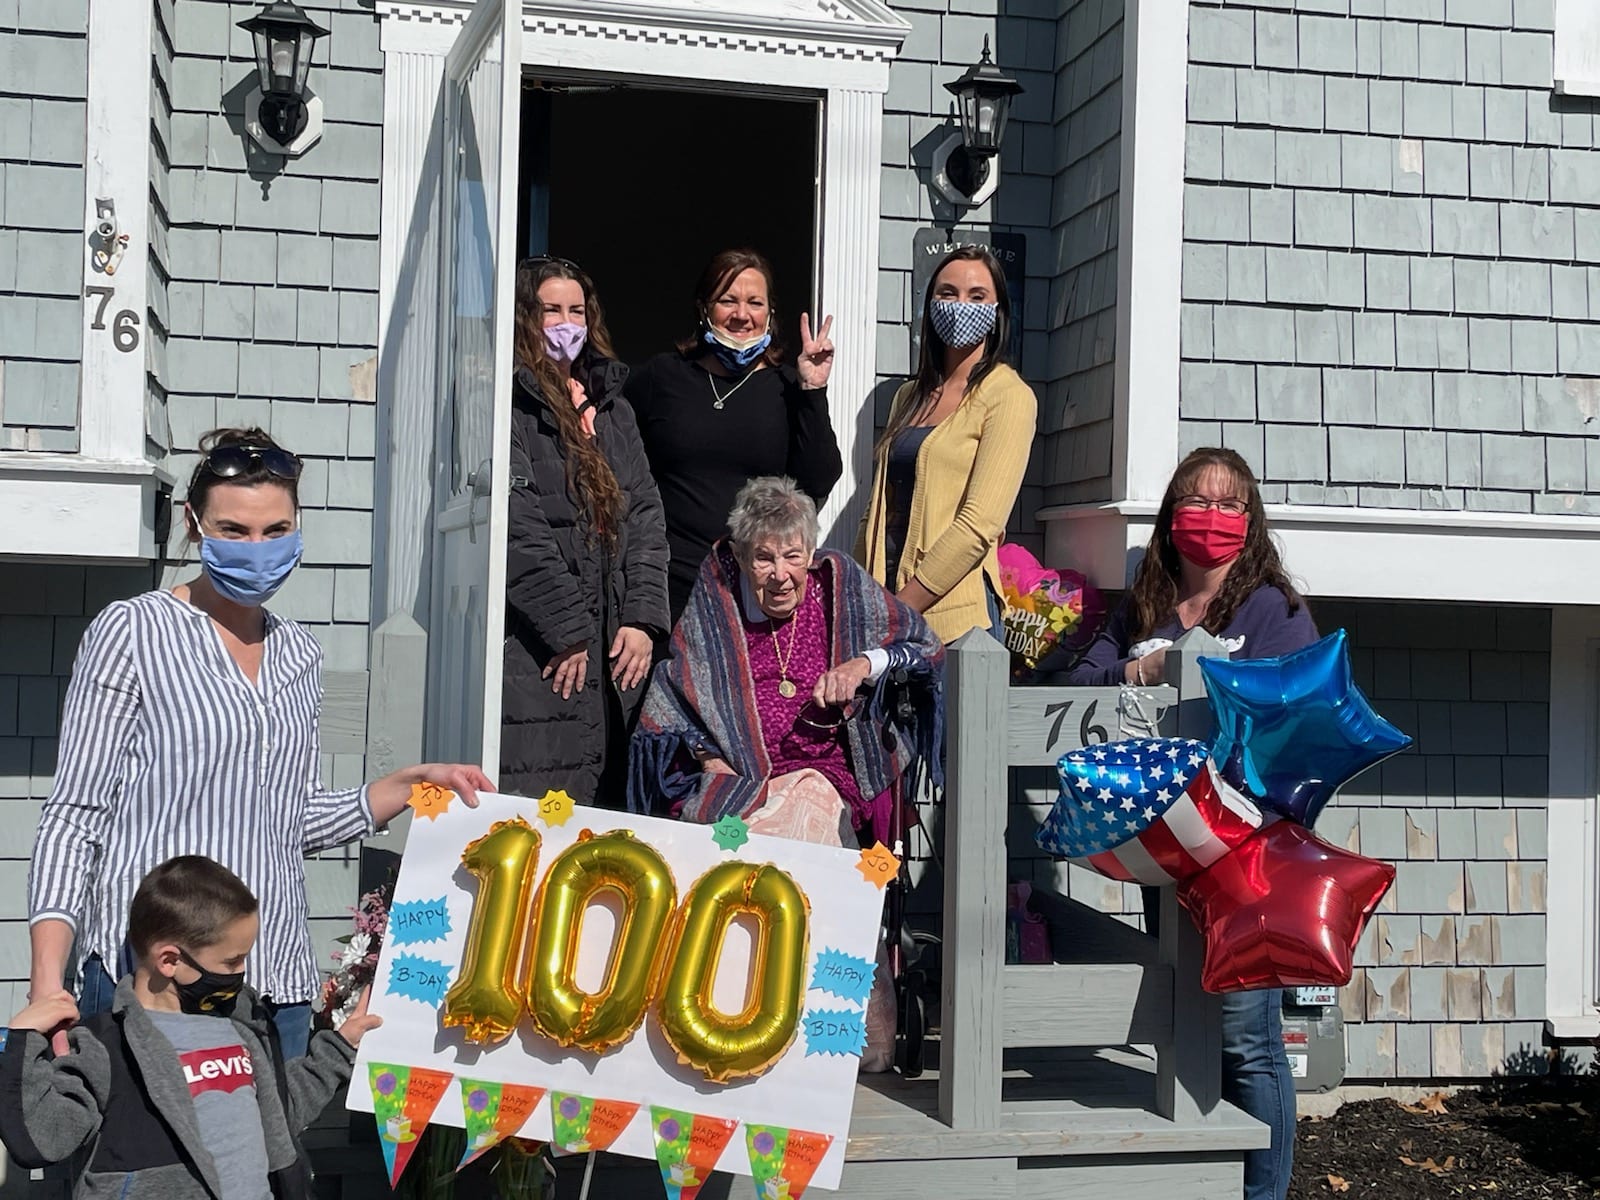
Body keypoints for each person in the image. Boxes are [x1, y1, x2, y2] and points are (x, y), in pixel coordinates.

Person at [27, 428, 492, 1060]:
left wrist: (409, 785)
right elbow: (74, 818)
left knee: (271, 1158)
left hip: (272, 981)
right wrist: (48, 984)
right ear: (195, 525)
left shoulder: (299, 653)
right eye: (234, 530)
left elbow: (286, 819)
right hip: (159, 980)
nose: (256, 549)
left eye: (276, 531)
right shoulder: (132, 632)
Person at [1051, 446, 1314, 1200]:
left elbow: (1291, 715)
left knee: (1245, 1039)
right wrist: (1135, 669)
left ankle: (1262, 1192)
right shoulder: (1144, 606)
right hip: (1161, 848)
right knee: (1182, 1020)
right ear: (1171, 519)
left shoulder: (1273, 610)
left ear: (1250, 520)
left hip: (1242, 852)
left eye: (1230, 504)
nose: (1212, 516)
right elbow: (1080, 681)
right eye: (1196, 501)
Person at [629, 477, 943, 1072]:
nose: (780, 573)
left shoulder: (840, 585)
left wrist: (861, 664)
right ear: (743, 558)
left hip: (833, 774)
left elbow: (922, 647)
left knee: (807, 818)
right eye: (764, 558)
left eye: (792, 555)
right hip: (742, 779)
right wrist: (704, 753)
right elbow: (673, 689)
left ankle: (811, 1024)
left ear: (810, 554)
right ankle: (729, 1010)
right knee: (728, 848)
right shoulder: (716, 602)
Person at [0, 856, 380, 1200]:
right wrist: (24, 1039)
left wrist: (340, 1046)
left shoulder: (243, 1029)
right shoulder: (106, 1047)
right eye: (233, 961)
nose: (241, 973)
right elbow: (42, 1140)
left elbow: (280, 1114)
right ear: (169, 960)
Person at [501, 257, 670, 805]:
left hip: (616, 644)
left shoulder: (611, 406)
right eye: (551, 310)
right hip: (543, 647)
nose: (566, 323)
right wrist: (567, 626)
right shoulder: (509, 403)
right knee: (541, 806)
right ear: (525, 315)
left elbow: (645, 512)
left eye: (576, 310)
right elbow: (515, 524)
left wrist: (643, 617)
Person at [624, 249, 844, 619]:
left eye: (754, 303)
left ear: (770, 314)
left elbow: (819, 479)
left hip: (753, 592)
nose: (742, 315)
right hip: (667, 589)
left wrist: (812, 390)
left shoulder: (787, 386)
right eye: (728, 300)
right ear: (704, 309)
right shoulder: (663, 376)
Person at [856, 246, 1036, 645]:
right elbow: (877, 510)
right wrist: (860, 600)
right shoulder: (909, 395)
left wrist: (901, 609)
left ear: (997, 312)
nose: (960, 306)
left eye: (977, 296)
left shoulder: (1007, 395)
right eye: (947, 293)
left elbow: (979, 526)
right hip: (886, 608)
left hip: (954, 623)